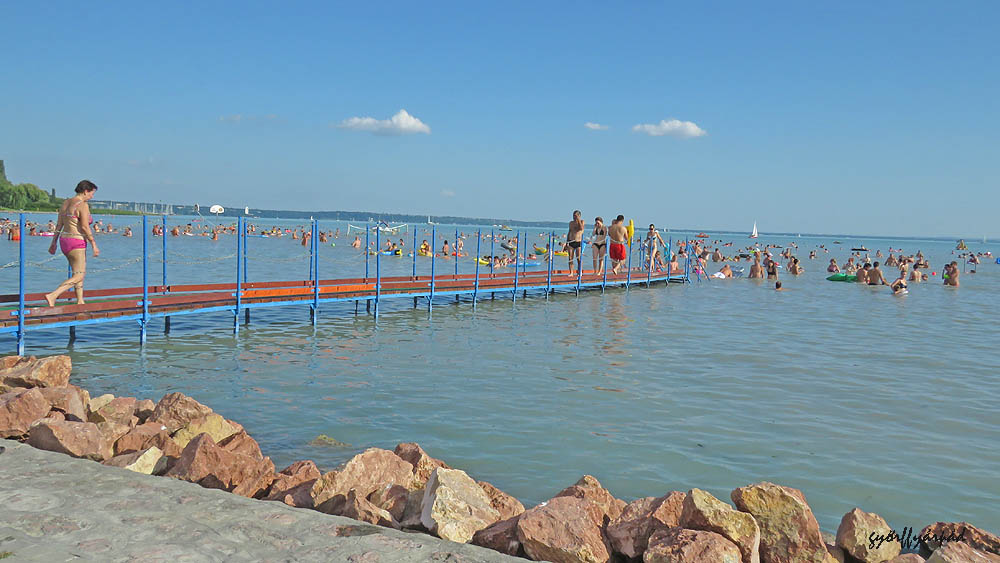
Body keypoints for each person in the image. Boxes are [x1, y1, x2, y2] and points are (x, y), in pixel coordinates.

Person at [45, 180, 100, 306]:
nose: (92, 196)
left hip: (64, 240)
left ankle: (80, 301)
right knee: (79, 275)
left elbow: (59, 224)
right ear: (86, 191)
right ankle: (53, 295)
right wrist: (94, 244)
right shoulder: (82, 205)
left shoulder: (65, 203)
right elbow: (85, 227)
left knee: (77, 272)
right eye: (92, 193)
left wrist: (53, 242)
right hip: (77, 241)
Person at [566, 210, 584, 275]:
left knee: (578, 258)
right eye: (573, 215)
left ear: (579, 216)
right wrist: (567, 242)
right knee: (570, 258)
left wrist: (578, 220)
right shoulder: (571, 223)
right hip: (571, 241)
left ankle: (580, 271)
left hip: (578, 242)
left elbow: (581, 228)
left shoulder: (582, 222)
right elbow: (569, 232)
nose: (574, 217)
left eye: (575, 216)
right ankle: (571, 272)